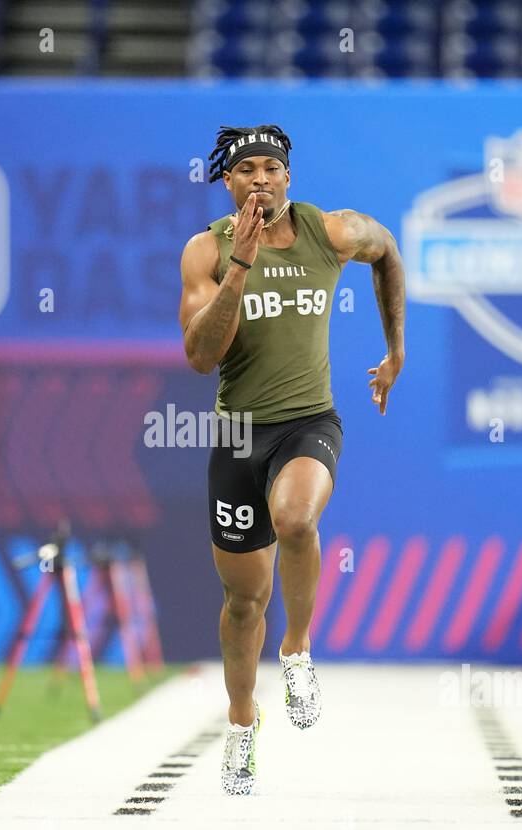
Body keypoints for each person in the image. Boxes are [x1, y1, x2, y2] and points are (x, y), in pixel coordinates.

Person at [177, 124, 405, 794]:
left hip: (309, 421)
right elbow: (198, 357)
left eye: (271, 168)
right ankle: (243, 725)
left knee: (297, 519)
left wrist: (395, 351)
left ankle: (299, 650)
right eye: (245, 169)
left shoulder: (329, 232)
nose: (260, 180)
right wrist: (240, 264)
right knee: (244, 600)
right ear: (227, 181)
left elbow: (388, 252)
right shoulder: (207, 251)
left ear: (287, 177)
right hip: (239, 435)